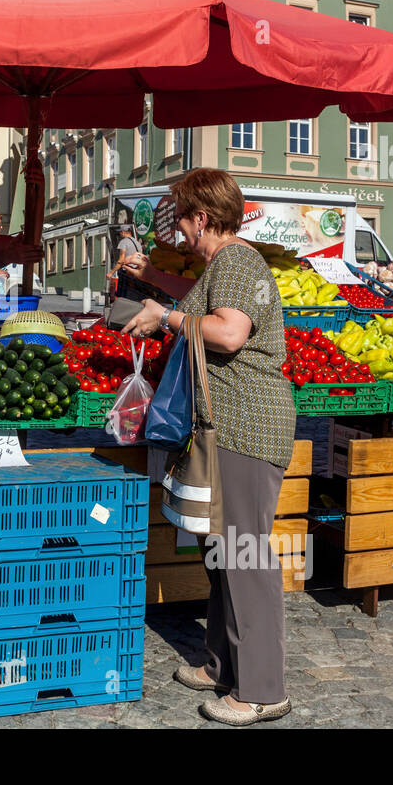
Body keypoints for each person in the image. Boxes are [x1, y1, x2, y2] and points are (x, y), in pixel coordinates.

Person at [122, 167, 295, 727]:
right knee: (222, 553)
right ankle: (224, 664)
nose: (180, 232)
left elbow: (228, 332)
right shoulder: (223, 265)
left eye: (182, 219)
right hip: (224, 426)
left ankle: (264, 687)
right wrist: (151, 278)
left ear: (203, 217)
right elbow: (201, 301)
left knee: (245, 556)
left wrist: (165, 317)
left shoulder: (239, 261)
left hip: (245, 426)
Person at [109, 224, 142, 300]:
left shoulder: (123, 242)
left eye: (120, 233)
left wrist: (111, 272)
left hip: (126, 272)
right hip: (136, 272)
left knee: (122, 294)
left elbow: (121, 260)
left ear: (123, 232)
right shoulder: (137, 243)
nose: (120, 234)